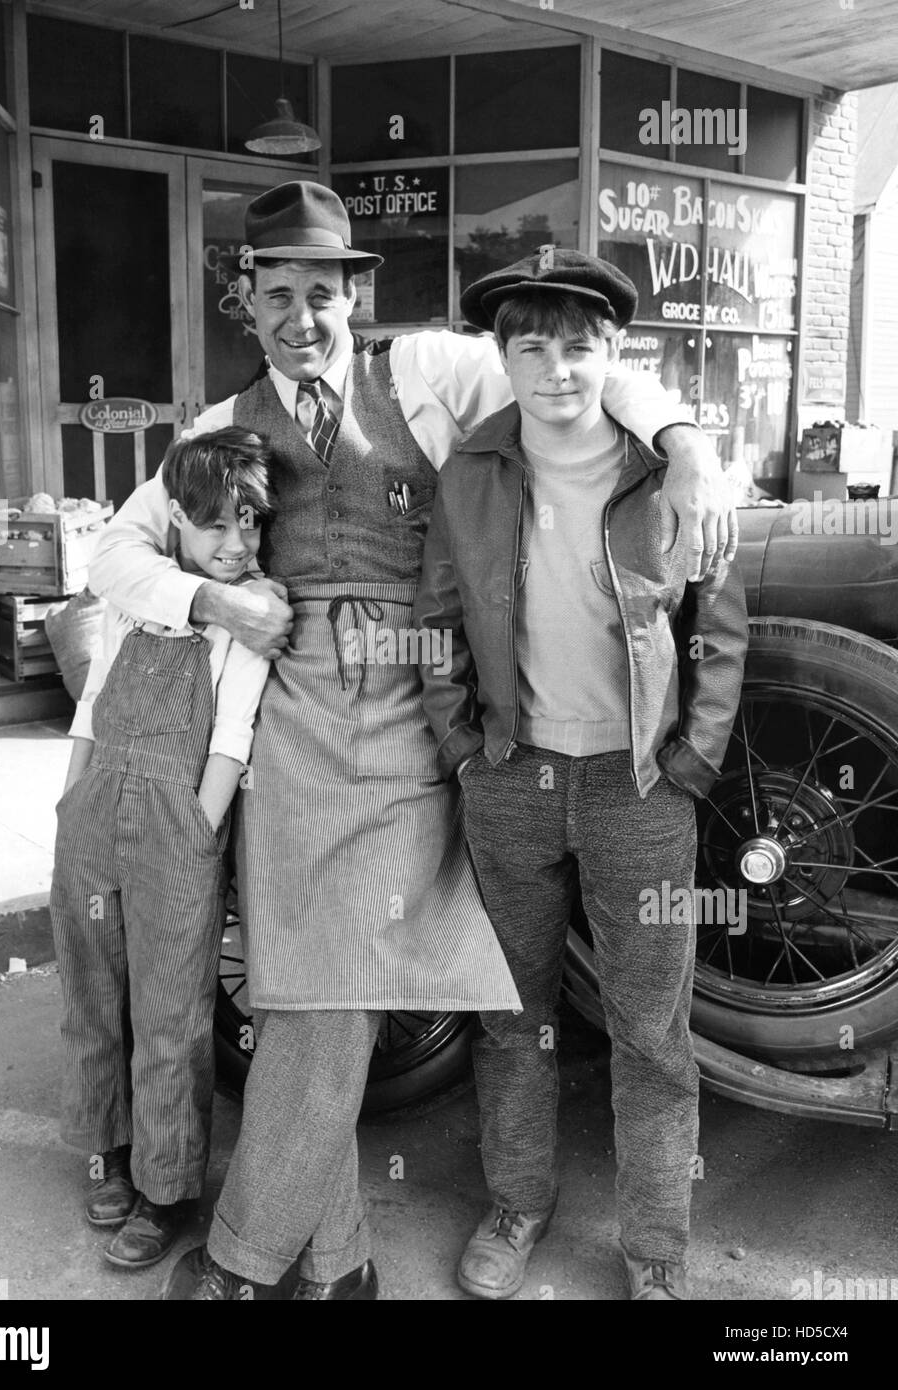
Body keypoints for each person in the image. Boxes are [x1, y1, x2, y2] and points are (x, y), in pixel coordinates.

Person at [85, 181, 739, 1302]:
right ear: (247, 301)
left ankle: (247, 1258)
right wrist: (215, 604)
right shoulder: (215, 428)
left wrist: (685, 442)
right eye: (277, 293)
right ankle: (337, 1264)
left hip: (418, 711)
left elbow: (574, 369)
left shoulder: (429, 370)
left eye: (321, 293)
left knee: (339, 980)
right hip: (287, 715)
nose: (301, 317)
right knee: (300, 982)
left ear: (355, 295)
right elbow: (115, 557)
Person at [414, 249, 748, 1301]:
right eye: (532, 346)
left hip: (635, 788)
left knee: (651, 1033)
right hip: (511, 777)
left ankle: (654, 1255)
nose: (556, 369)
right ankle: (516, 1205)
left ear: (614, 355)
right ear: (502, 357)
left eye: (579, 346)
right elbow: (434, 622)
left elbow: (718, 626)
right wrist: (461, 749)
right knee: (511, 1016)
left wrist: (689, 761)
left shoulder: (664, 471)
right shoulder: (472, 469)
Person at [50, 427, 275, 1270]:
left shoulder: (246, 617)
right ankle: (104, 1149)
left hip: (179, 826)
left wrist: (198, 830)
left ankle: (165, 1187)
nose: (236, 544)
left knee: (174, 1016)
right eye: (215, 525)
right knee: (92, 987)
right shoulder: (136, 595)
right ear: (174, 519)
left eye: (250, 524)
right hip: (94, 809)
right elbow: (92, 701)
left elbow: (233, 735)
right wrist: (72, 803)